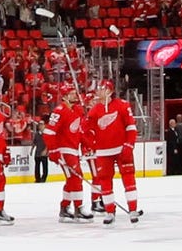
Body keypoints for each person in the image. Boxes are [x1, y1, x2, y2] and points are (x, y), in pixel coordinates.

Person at [87, 83, 139, 224]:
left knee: (128, 177)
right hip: (103, 152)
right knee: (104, 180)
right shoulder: (95, 110)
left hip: (121, 148)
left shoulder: (122, 105)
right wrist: (90, 145)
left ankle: (133, 209)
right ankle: (109, 211)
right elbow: (89, 131)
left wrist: (129, 144)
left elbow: (131, 127)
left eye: (101, 89)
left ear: (109, 91)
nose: (98, 91)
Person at [52, 87, 90, 222]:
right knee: (76, 177)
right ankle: (78, 208)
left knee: (72, 179)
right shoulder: (59, 111)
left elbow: (78, 132)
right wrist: (53, 150)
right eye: (72, 93)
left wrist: (88, 144)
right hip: (64, 150)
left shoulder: (76, 111)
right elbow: (49, 133)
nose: (76, 95)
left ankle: (65, 207)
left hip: (73, 150)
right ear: (65, 96)